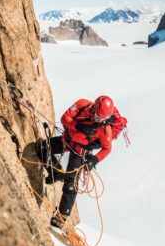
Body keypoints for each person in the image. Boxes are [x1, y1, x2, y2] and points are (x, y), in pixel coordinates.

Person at [37, 95, 127, 228]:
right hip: (68, 141)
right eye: (97, 117)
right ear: (94, 108)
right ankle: (56, 173)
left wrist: (93, 161)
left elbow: (107, 148)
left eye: (101, 119)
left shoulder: (105, 129)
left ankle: (61, 219)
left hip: (80, 151)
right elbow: (64, 118)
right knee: (42, 147)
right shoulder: (82, 104)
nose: (98, 121)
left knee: (71, 184)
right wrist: (78, 126)